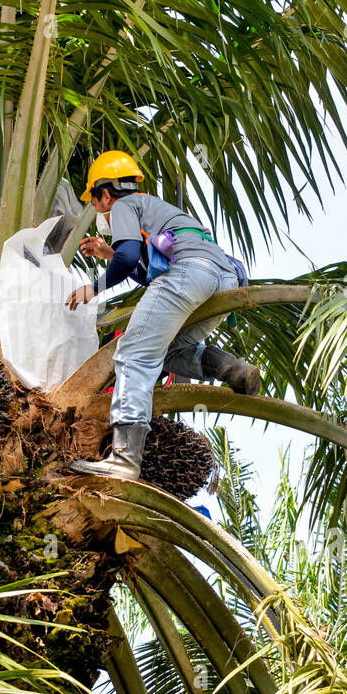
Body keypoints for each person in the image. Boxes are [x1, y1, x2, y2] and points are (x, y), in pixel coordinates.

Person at [64, 150, 262, 481]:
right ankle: (233, 368)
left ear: (107, 193)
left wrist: (93, 288)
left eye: (96, 201)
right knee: (167, 351)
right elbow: (151, 273)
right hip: (221, 278)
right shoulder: (155, 211)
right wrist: (108, 252)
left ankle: (125, 459)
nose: (99, 210)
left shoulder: (125, 205)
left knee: (133, 353)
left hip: (191, 274)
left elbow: (130, 262)